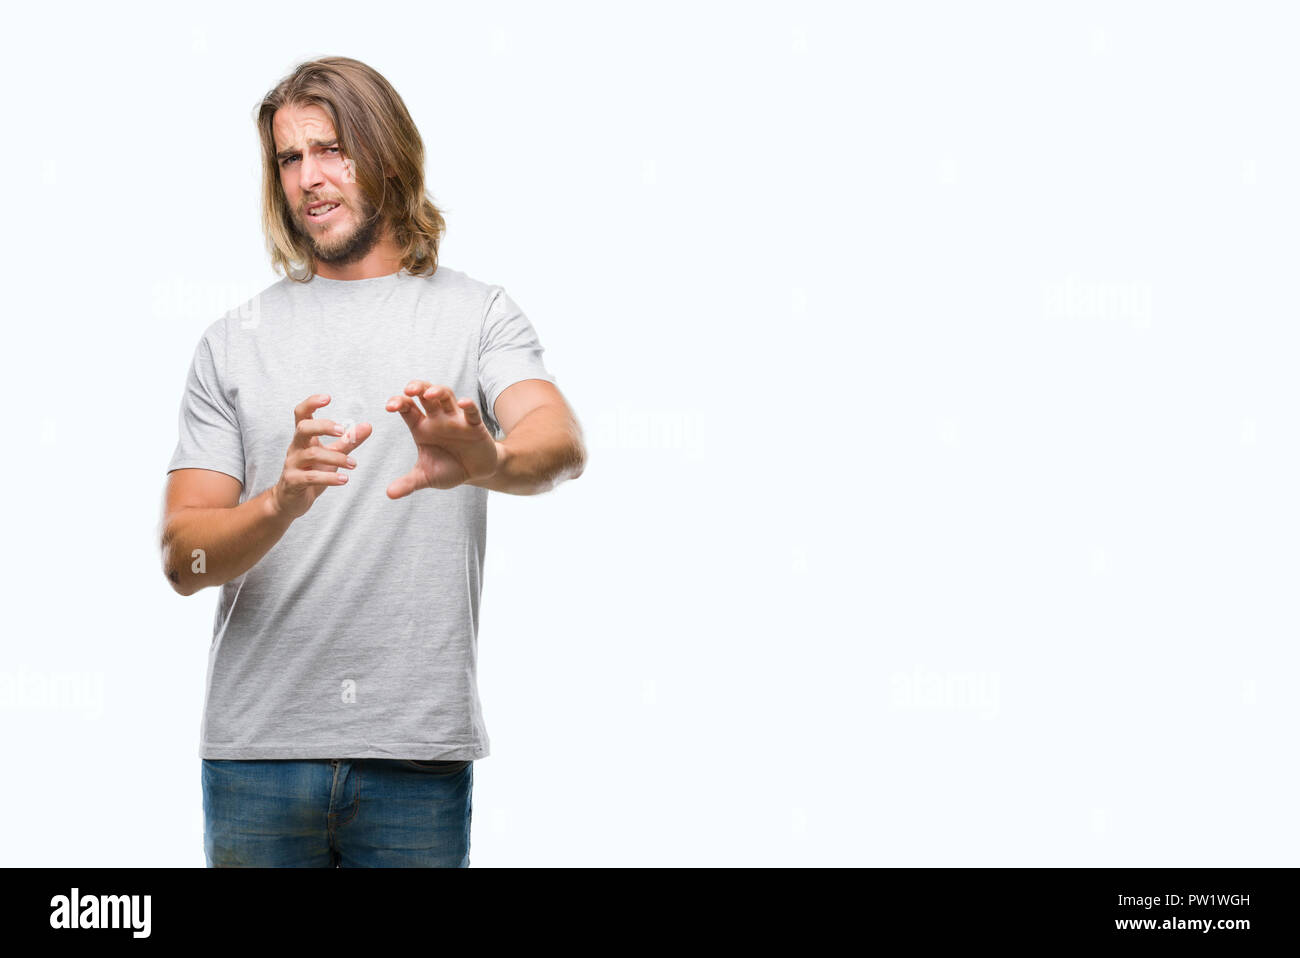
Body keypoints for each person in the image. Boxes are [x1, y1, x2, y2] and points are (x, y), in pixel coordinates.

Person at [159, 56, 586, 868]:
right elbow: (186, 558)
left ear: (386, 155)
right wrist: (279, 501)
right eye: (290, 159)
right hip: (258, 760)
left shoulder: (477, 313)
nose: (309, 179)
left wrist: (487, 456)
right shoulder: (230, 342)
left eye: (333, 150)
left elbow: (558, 443)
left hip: (416, 760)